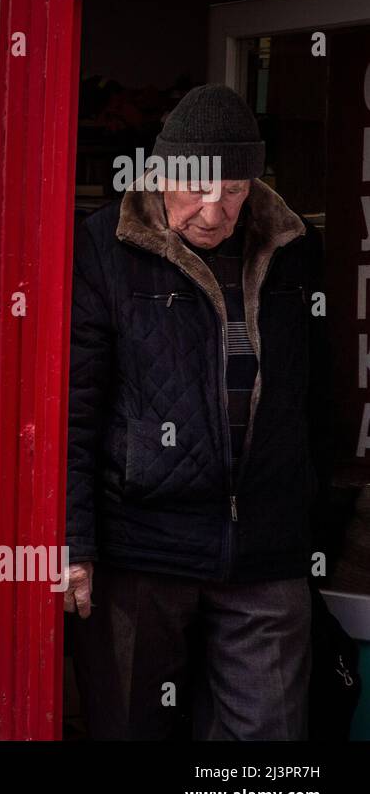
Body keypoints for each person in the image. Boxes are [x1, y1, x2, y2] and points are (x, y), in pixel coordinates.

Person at [64, 84, 329, 739]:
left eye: (234, 189)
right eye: (197, 187)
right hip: (141, 550)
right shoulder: (105, 247)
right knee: (130, 728)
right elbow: (75, 406)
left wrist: (311, 520)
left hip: (265, 553)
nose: (214, 211)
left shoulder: (296, 248)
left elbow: (314, 399)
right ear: (160, 172)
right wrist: (76, 543)